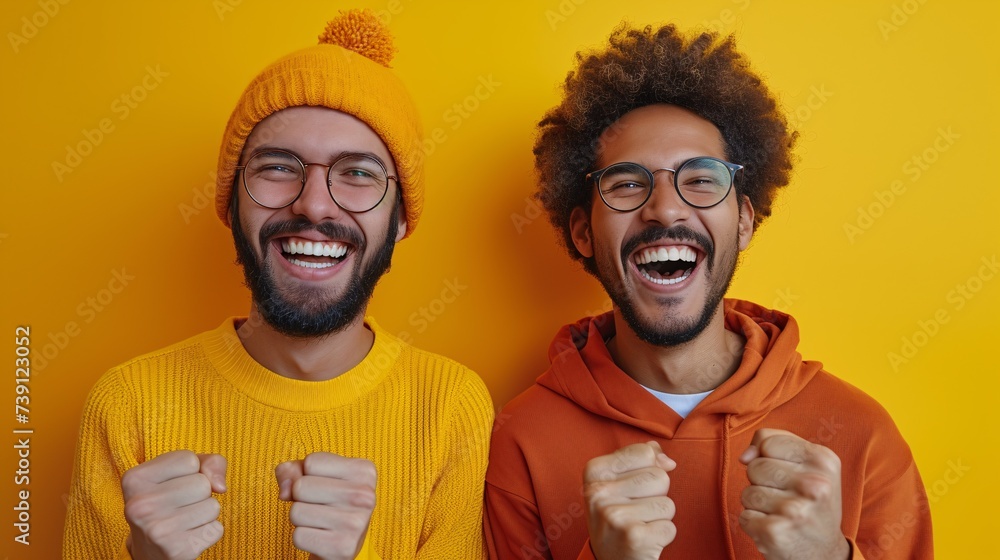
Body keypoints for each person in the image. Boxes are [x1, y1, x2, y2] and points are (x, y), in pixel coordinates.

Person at [485, 22, 932, 560]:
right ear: (582, 232)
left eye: (700, 179)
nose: (666, 207)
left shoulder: (862, 432)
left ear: (743, 220)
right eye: (627, 183)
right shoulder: (521, 440)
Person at [62, 10, 493, 560]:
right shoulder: (126, 405)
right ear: (230, 203)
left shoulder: (451, 407)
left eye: (358, 173)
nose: (313, 204)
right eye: (278, 167)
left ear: (402, 219)